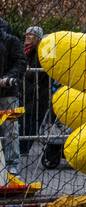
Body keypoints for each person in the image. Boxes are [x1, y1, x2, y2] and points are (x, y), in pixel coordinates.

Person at [0, 21, 28, 178]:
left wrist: (9, 77)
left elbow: (20, 62)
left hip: (8, 91)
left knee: (11, 129)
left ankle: (12, 165)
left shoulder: (11, 41)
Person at [20, 26, 51, 157]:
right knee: (23, 119)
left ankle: (24, 148)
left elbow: (36, 74)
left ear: (38, 38)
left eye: (31, 34)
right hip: (25, 91)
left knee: (31, 119)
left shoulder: (42, 51)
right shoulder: (25, 50)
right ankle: (22, 146)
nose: (27, 36)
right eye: (26, 34)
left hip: (38, 93)